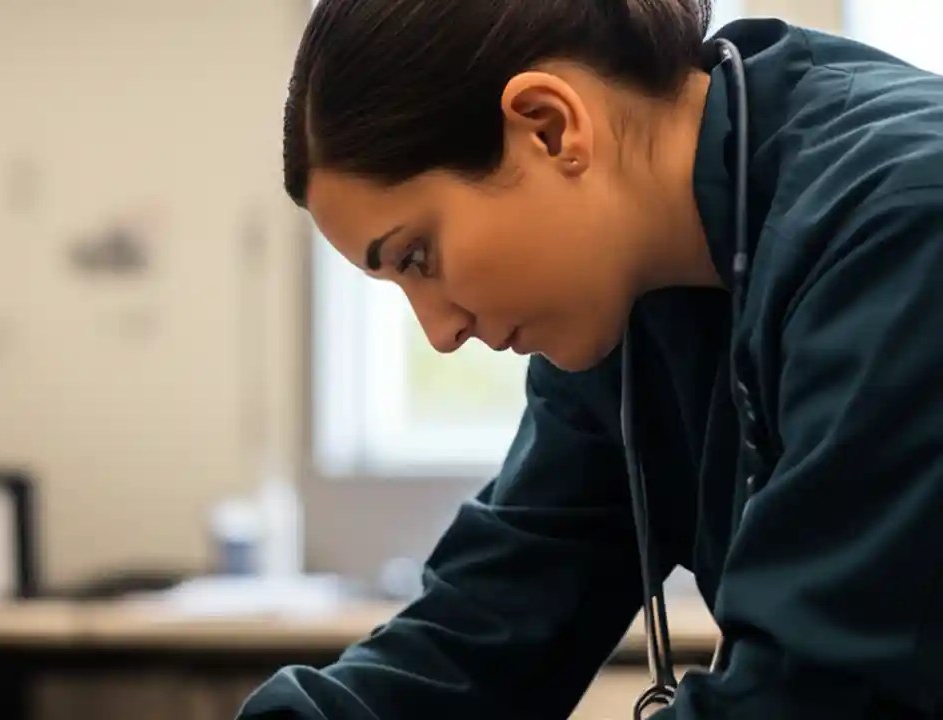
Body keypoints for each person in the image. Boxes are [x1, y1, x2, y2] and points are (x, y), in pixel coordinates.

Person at [237, 0, 943, 718]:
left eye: (419, 257)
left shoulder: (907, 227)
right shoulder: (630, 296)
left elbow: (813, 698)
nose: (439, 334)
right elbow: (484, 627)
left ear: (549, 126)